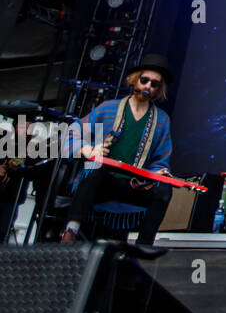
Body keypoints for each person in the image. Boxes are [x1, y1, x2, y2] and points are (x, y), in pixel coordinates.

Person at [61, 54, 174, 245]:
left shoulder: (162, 120)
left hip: (131, 185)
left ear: (158, 89)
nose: (148, 86)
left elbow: (160, 159)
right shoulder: (108, 108)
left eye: (154, 84)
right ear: (134, 79)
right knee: (97, 167)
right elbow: (71, 133)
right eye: (144, 80)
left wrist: (157, 174)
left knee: (164, 190)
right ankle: (71, 230)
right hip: (100, 183)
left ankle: (144, 245)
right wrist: (87, 149)